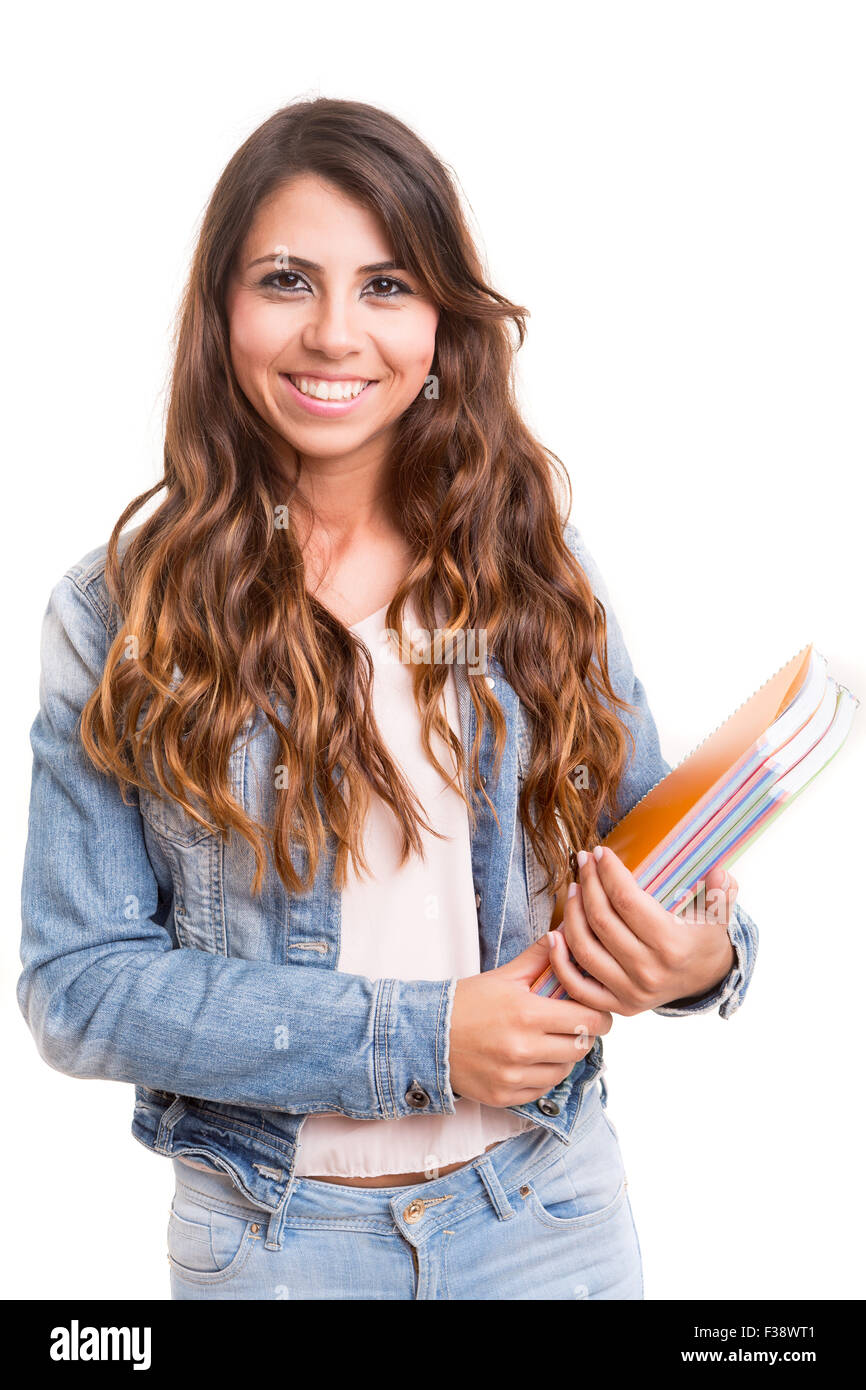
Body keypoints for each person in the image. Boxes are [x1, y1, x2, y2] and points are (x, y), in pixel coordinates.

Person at [17, 97, 757, 1301]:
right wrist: (419, 1040)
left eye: (385, 285)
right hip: (273, 1243)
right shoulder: (118, 614)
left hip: (544, 1215)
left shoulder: (536, 572)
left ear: (438, 325)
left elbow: (650, 859)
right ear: (221, 312)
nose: (332, 333)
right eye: (285, 279)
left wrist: (694, 955)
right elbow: (78, 984)